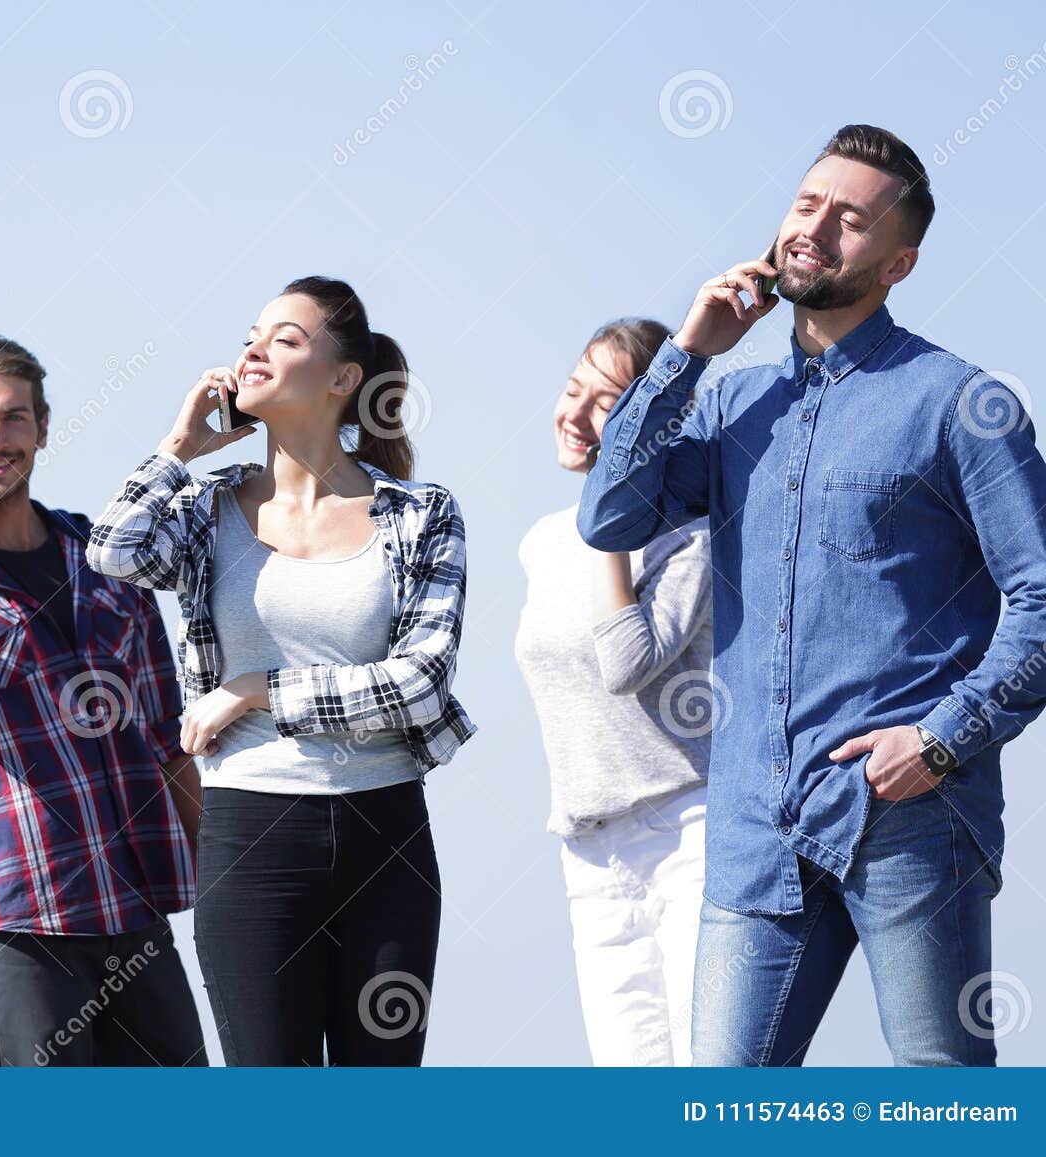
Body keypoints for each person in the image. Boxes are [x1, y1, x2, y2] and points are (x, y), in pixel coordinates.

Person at [578, 125, 1046, 1066]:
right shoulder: (728, 403)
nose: (815, 229)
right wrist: (689, 352)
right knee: (722, 1112)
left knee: (944, 1104)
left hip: (911, 816)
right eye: (805, 205)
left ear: (899, 263)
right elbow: (610, 516)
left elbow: (1041, 598)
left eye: (850, 220)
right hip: (754, 827)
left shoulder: (959, 402)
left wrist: (941, 738)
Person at [87, 276, 475, 1066]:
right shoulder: (203, 511)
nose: (254, 351)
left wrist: (256, 690)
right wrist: (179, 448)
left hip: (387, 836)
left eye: (285, 338)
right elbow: (112, 550)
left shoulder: (421, 514)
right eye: (250, 338)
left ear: (343, 377)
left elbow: (420, 682)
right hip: (250, 835)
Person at [0, 333, 207, 1067]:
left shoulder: (107, 559)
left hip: (136, 910)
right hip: (23, 920)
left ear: (44, 428)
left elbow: (169, 737)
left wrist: (223, 878)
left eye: (15, 417)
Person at [515, 318, 711, 1066]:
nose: (576, 414)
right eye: (573, 389)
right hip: (589, 845)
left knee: (703, 1065)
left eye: (607, 404)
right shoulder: (541, 541)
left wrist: (611, 526)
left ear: (652, 425)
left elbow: (628, 663)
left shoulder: (693, 536)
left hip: (688, 829)